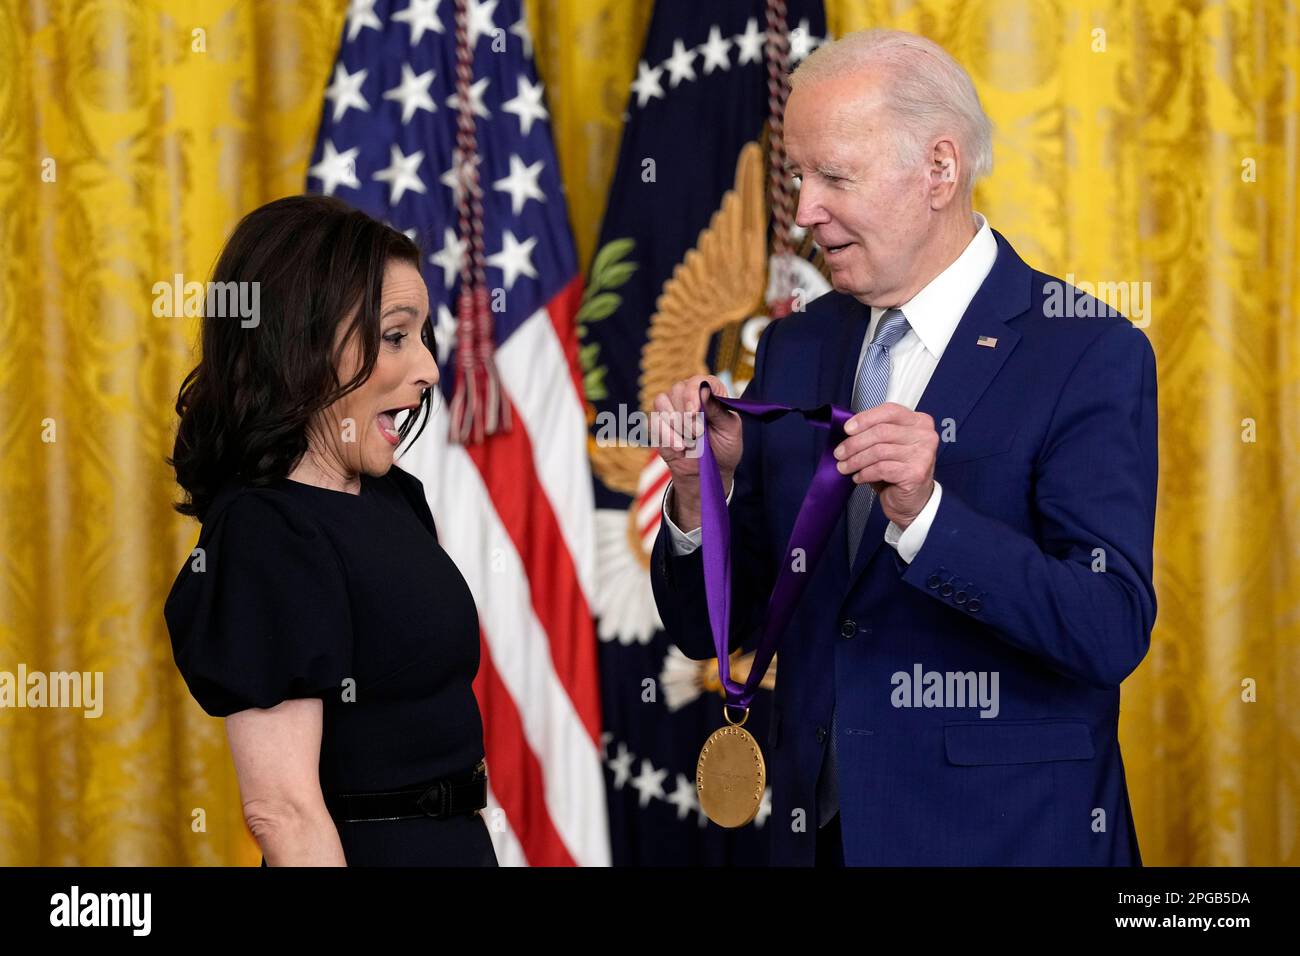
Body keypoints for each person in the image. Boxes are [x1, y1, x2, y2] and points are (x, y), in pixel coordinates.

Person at [651, 29, 1157, 866]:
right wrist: (700, 490)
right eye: (799, 179)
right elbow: (715, 629)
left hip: (1011, 839)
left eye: (833, 178)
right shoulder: (795, 346)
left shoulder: (1087, 350)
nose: (805, 211)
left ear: (939, 170)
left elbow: (1108, 629)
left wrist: (927, 517)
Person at [164, 194, 497, 866]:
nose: (430, 370)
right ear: (302, 343)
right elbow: (282, 813)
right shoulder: (268, 534)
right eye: (396, 336)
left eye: (423, 337)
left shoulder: (394, 497)